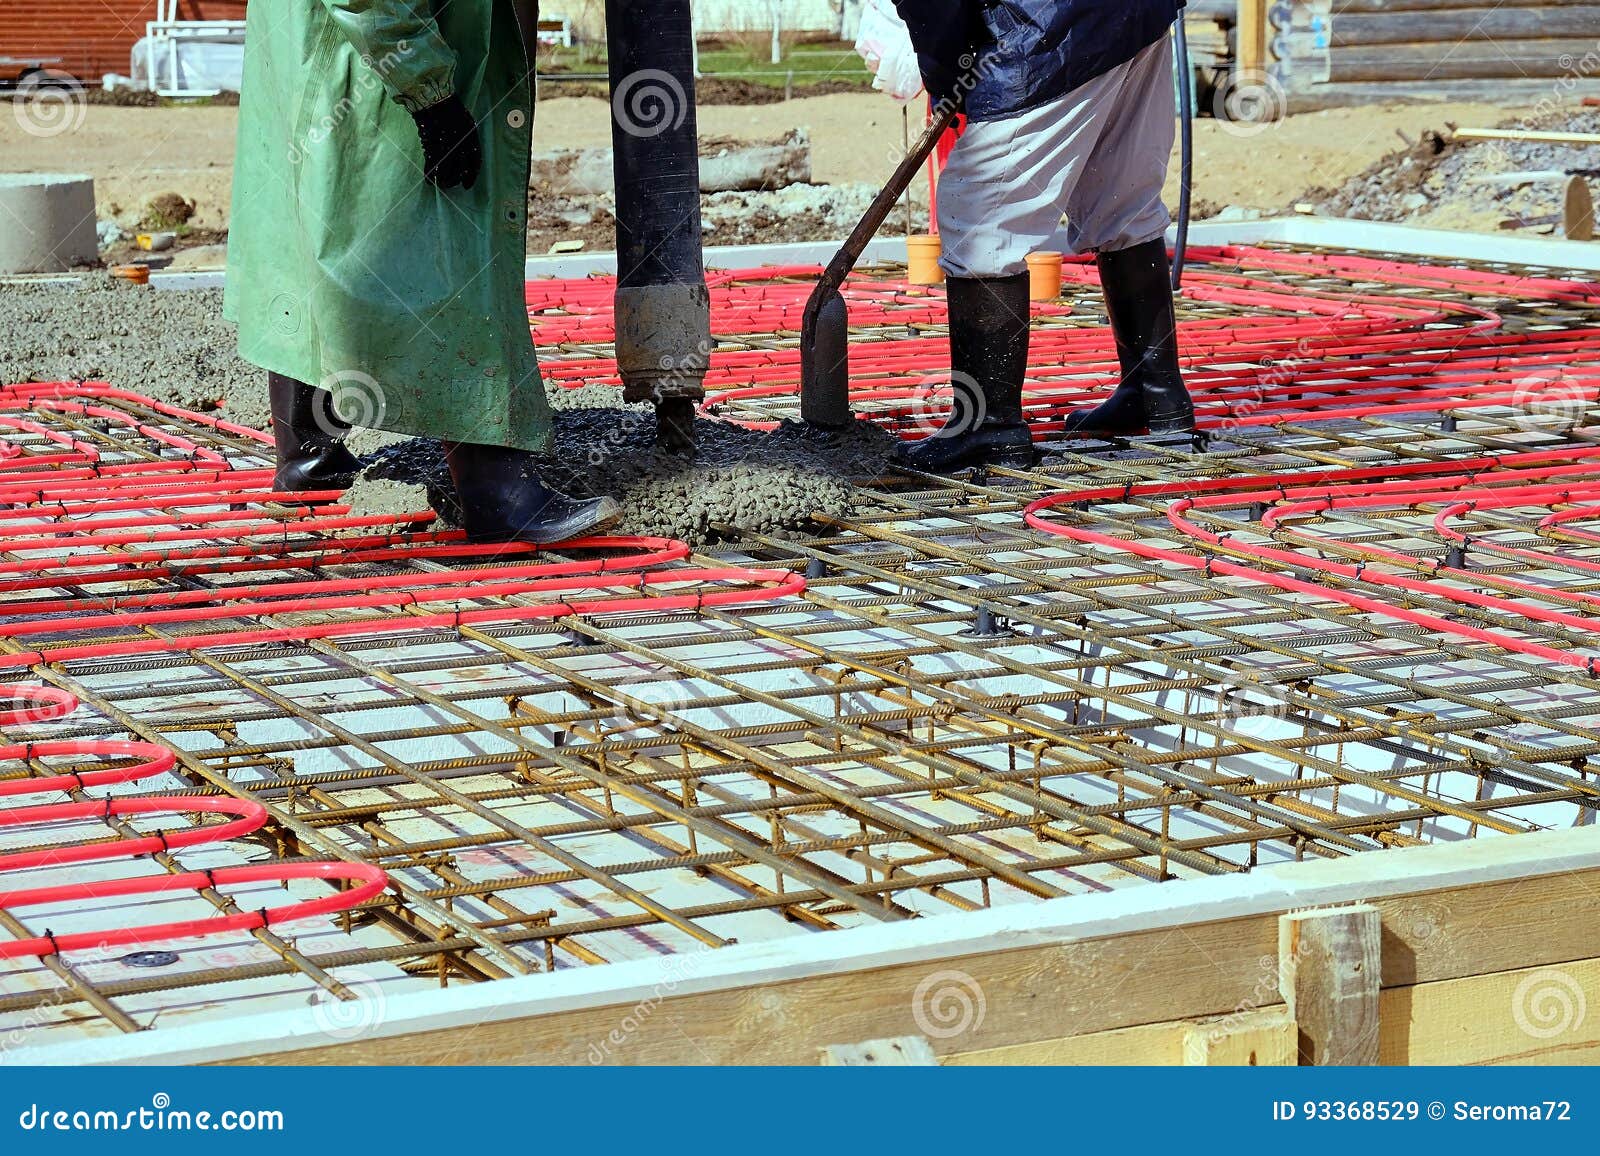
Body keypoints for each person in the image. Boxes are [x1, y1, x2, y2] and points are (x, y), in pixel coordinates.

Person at [224, 0, 619, 543]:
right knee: (451, 249)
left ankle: (309, 458)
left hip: (324, 49)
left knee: (313, 232)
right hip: (384, 60)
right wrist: (427, 88)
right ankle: (497, 494)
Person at [892, 0, 1196, 471]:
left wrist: (951, 79)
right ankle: (1156, 395)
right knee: (1120, 196)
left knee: (979, 216)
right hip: (1138, 15)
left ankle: (989, 427)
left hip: (1052, 28)